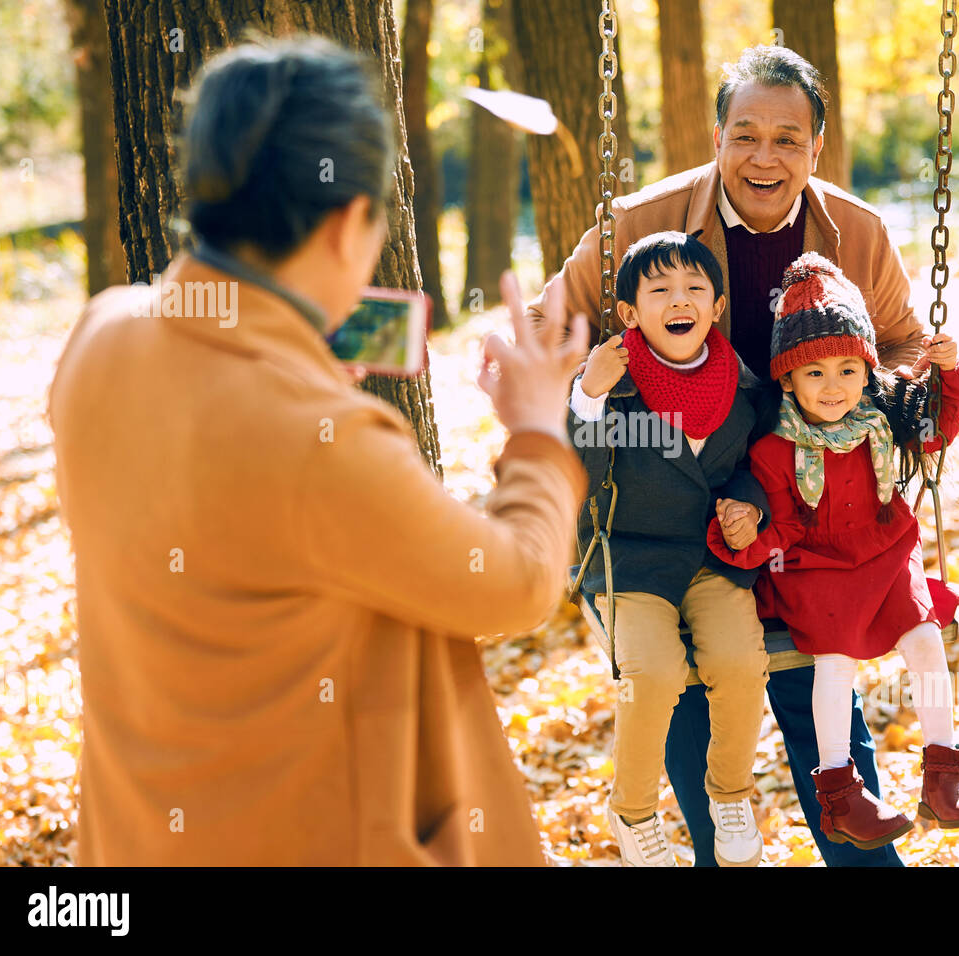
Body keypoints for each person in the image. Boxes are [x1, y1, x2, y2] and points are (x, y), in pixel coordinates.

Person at [48, 35, 589, 866]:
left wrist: (292, 342)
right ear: (349, 224)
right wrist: (539, 429)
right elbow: (512, 582)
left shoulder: (101, 334)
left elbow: (205, 428)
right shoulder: (320, 446)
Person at [527, 44, 922, 865]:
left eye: (788, 138)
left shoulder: (857, 233)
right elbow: (540, 338)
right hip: (666, 527)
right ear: (716, 137)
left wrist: (891, 401)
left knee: (829, 731)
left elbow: (904, 345)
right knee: (690, 715)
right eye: (746, 134)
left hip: (801, 525)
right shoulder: (640, 225)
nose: (765, 156)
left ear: (818, 147)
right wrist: (596, 392)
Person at [708, 254, 959, 849]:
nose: (832, 387)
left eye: (845, 370)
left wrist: (948, 369)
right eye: (813, 375)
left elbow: (937, 425)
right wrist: (746, 536)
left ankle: (943, 773)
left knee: (928, 642)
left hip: (886, 554)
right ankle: (839, 794)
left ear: (866, 370)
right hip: (818, 569)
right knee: (835, 665)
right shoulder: (777, 450)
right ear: (786, 380)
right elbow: (780, 527)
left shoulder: (884, 417)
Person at [569, 231, 770, 866]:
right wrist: (590, 397)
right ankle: (632, 810)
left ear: (714, 306)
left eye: (693, 289)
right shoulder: (614, 384)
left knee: (741, 663)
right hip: (630, 558)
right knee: (651, 674)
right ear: (631, 315)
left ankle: (730, 794)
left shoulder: (738, 385)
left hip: (709, 555)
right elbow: (577, 469)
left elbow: (747, 464)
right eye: (659, 291)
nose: (677, 301)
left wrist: (749, 504)